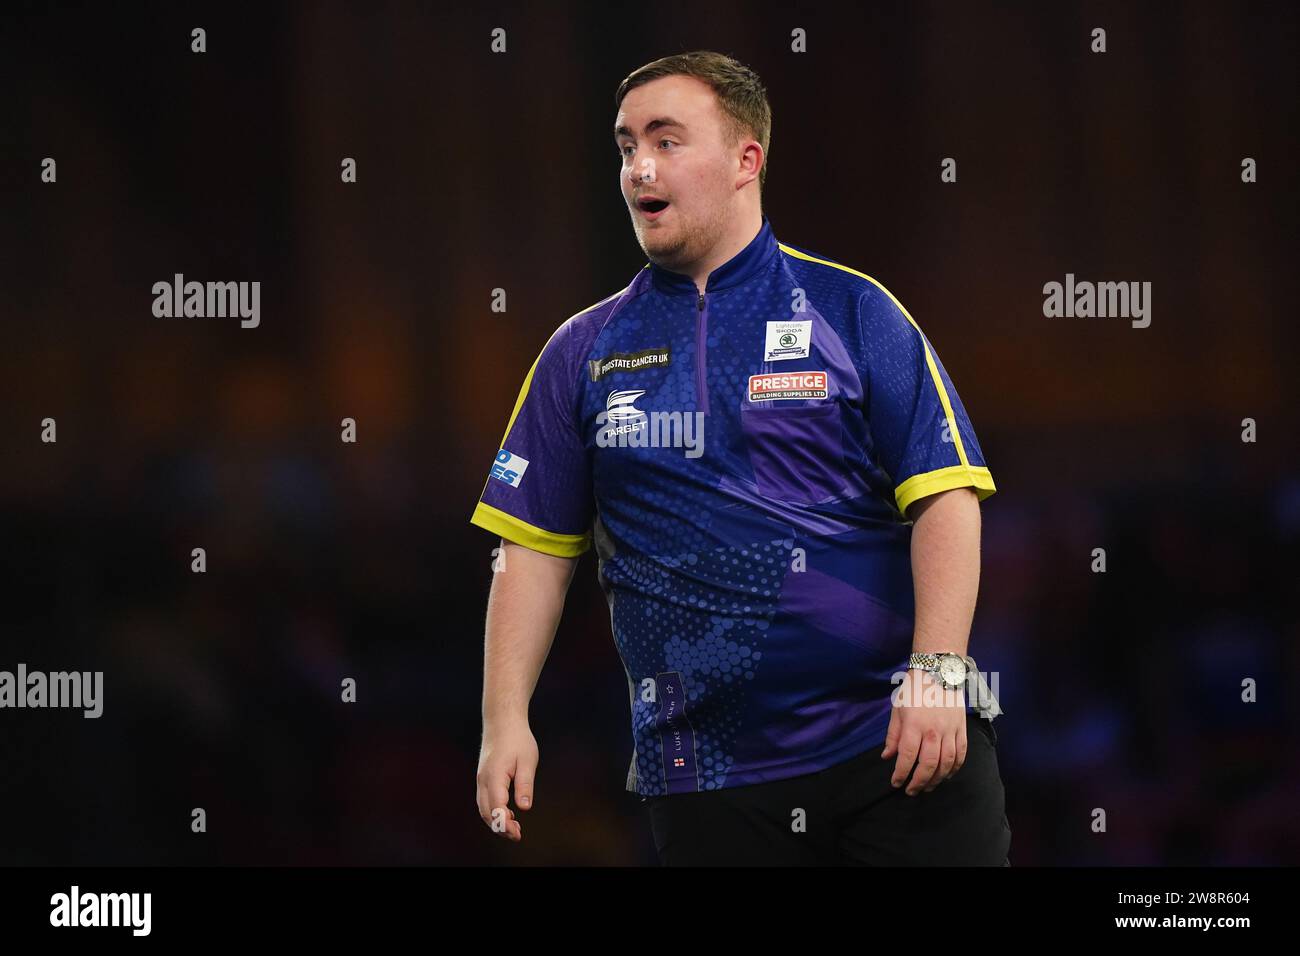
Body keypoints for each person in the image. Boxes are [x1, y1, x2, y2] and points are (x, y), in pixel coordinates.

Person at [470, 50, 1010, 865]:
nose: (638, 168)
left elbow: (946, 496)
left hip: (895, 749)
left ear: (745, 160)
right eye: (625, 146)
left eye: (666, 140)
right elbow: (531, 550)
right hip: (705, 777)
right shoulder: (580, 351)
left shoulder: (852, 309)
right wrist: (503, 717)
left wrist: (938, 673)